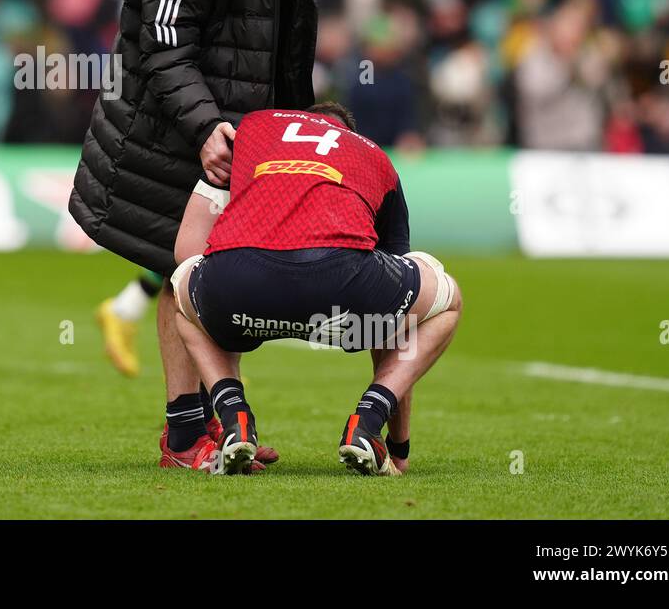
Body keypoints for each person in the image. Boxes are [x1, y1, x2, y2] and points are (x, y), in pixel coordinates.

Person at [69, 0, 335, 468]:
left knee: (221, 275)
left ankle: (228, 423)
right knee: (183, 269)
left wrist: (287, 115)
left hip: (252, 125)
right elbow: (161, 38)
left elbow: (292, 10)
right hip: (179, 130)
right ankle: (188, 435)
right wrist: (205, 125)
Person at [167, 103, 463, 475]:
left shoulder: (252, 129)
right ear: (346, 132)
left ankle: (234, 418)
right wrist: (398, 444)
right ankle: (368, 422)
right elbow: (395, 328)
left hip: (241, 286)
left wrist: (219, 299)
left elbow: (185, 253)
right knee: (447, 300)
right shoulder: (373, 155)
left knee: (182, 290)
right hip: (342, 294)